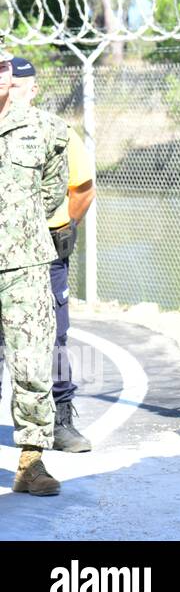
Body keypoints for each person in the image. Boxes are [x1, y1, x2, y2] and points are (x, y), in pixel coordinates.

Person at [8, 57, 96, 452]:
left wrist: (63, 227)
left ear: (33, 89)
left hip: (42, 253)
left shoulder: (50, 131)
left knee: (55, 338)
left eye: (21, 86)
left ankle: (60, 416)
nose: (15, 93)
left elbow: (81, 188)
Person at [0, 43, 69, 496]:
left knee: (31, 361)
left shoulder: (46, 128)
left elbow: (53, 190)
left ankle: (31, 460)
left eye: (3, 66)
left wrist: (19, 231)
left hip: (22, 262)